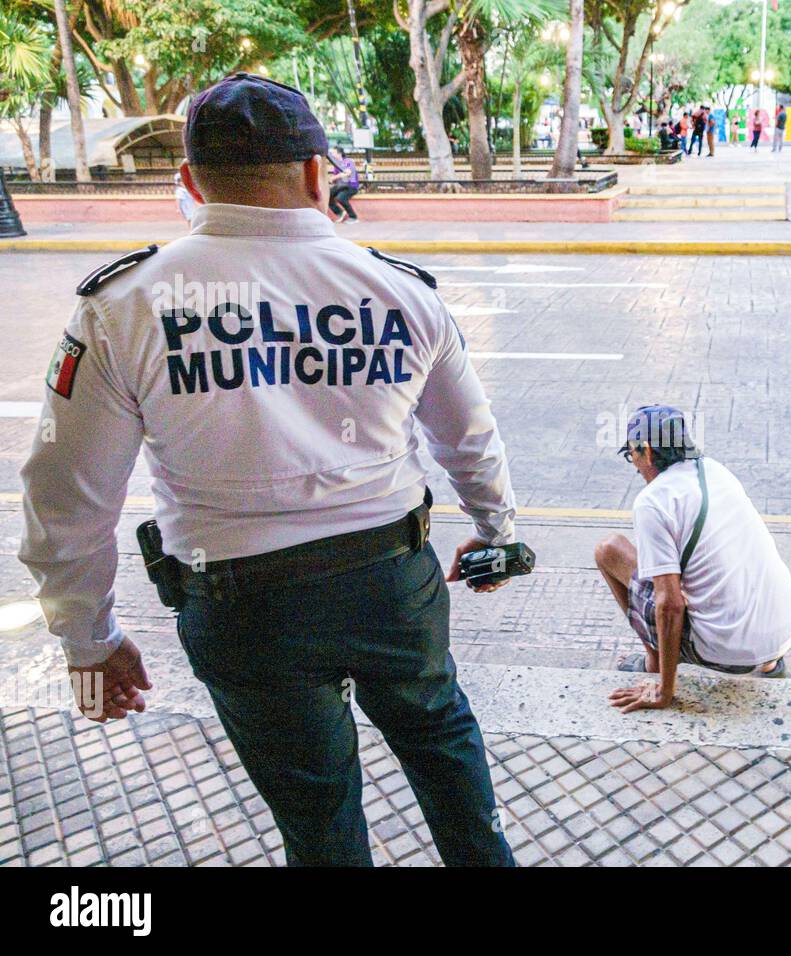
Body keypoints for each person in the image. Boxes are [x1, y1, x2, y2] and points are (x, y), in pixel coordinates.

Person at [19, 73, 518, 867]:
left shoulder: (124, 306)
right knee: (444, 747)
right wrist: (496, 531)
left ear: (187, 182)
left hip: (242, 609)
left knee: (316, 819)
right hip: (391, 584)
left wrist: (89, 642)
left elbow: (66, 497)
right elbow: (471, 439)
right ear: (321, 173)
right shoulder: (400, 291)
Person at [596, 406, 791, 714]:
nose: (635, 466)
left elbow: (670, 605)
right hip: (785, 629)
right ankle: (770, 663)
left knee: (608, 550)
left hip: (726, 655)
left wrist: (665, 692)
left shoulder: (653, 502)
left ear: (648, 452)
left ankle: (654, 662)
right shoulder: (716, 471)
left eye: (633, 456)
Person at [327, 146, 360, 223]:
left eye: (333, 153)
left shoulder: (348, 161)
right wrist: (331, 180)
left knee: (341, 198)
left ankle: (353, 217)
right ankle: (340, 212)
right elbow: (337, 180)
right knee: (328, 196)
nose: (331, 155)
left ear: (339, 153)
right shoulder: (336, 165)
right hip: (341, 186)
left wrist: (334, 178)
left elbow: (348, 173)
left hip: (351, 186)